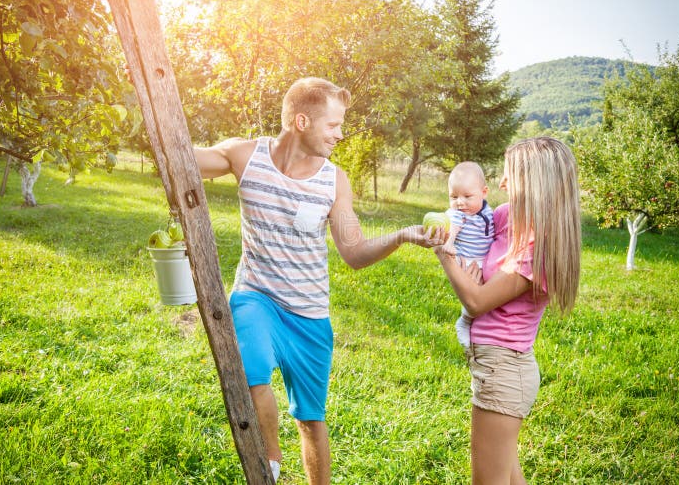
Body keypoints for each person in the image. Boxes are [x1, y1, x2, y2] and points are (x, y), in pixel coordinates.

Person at [193, 77, 437, 484]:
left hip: (309, 315)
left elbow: (353, 252)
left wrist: (402, 235)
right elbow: (181, 156)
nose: (340, 135)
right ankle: (270, 457)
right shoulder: (245, 156)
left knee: (311, 420)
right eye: (333, 125)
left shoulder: (333, 181)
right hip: (257, 296)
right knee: (251, 375)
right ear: (302, 121)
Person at [432, 137, 581, 484]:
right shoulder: (506, 217)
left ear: (534, 182)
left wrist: (444, 253)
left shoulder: (539, 248)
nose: (500, 184)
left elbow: (477, 301)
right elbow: (468, 226)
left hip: (504, 369)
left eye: (510, 175)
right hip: (491, 363)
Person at [439, 161, 494, 349]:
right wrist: (449, 244)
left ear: (484, 193)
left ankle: (477, 322)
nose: (460, 202)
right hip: (467, 260)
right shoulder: (458, 213)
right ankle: (465, 321)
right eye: (453, 196)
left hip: (483, 259)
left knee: (487, 293)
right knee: (475, 291)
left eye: (467, 196)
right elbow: (452, 228)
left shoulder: (487, 211)